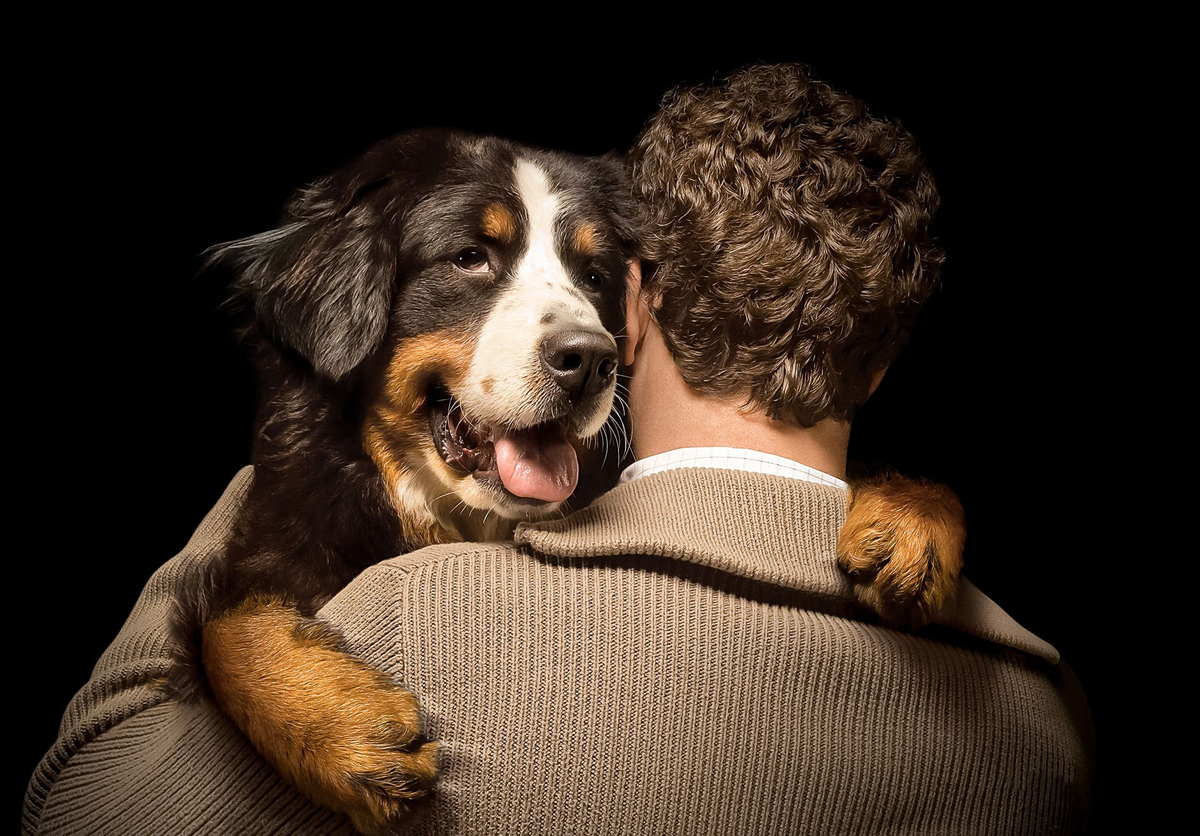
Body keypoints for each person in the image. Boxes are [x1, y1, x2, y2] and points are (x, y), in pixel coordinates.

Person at [24, 64, 1093, 835]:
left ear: (630, 306)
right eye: (477, 258)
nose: (566, 326)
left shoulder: (411, 627)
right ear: (883, 364)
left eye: (584, 276)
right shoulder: (1045, 716)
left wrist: (268, 484)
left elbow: (80, 803)